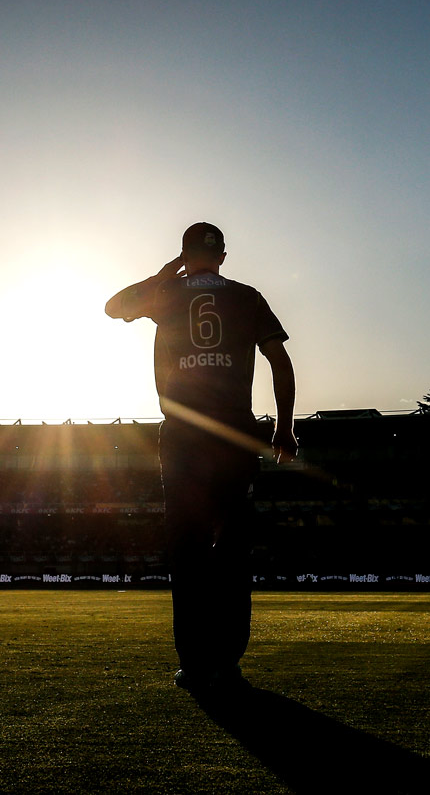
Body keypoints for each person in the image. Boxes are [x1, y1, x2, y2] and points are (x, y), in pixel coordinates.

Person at [105, 222, 297, 693]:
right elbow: (280, 360)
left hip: (184, 434)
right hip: (233, 431)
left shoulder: (166, 294)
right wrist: (285, 427)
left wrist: (166, 272)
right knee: (232, 548)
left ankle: (193, 662)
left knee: (187, 549)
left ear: (186, 254)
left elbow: (113, 308)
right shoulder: (248, 296)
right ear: (224, 256)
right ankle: (228, 661)